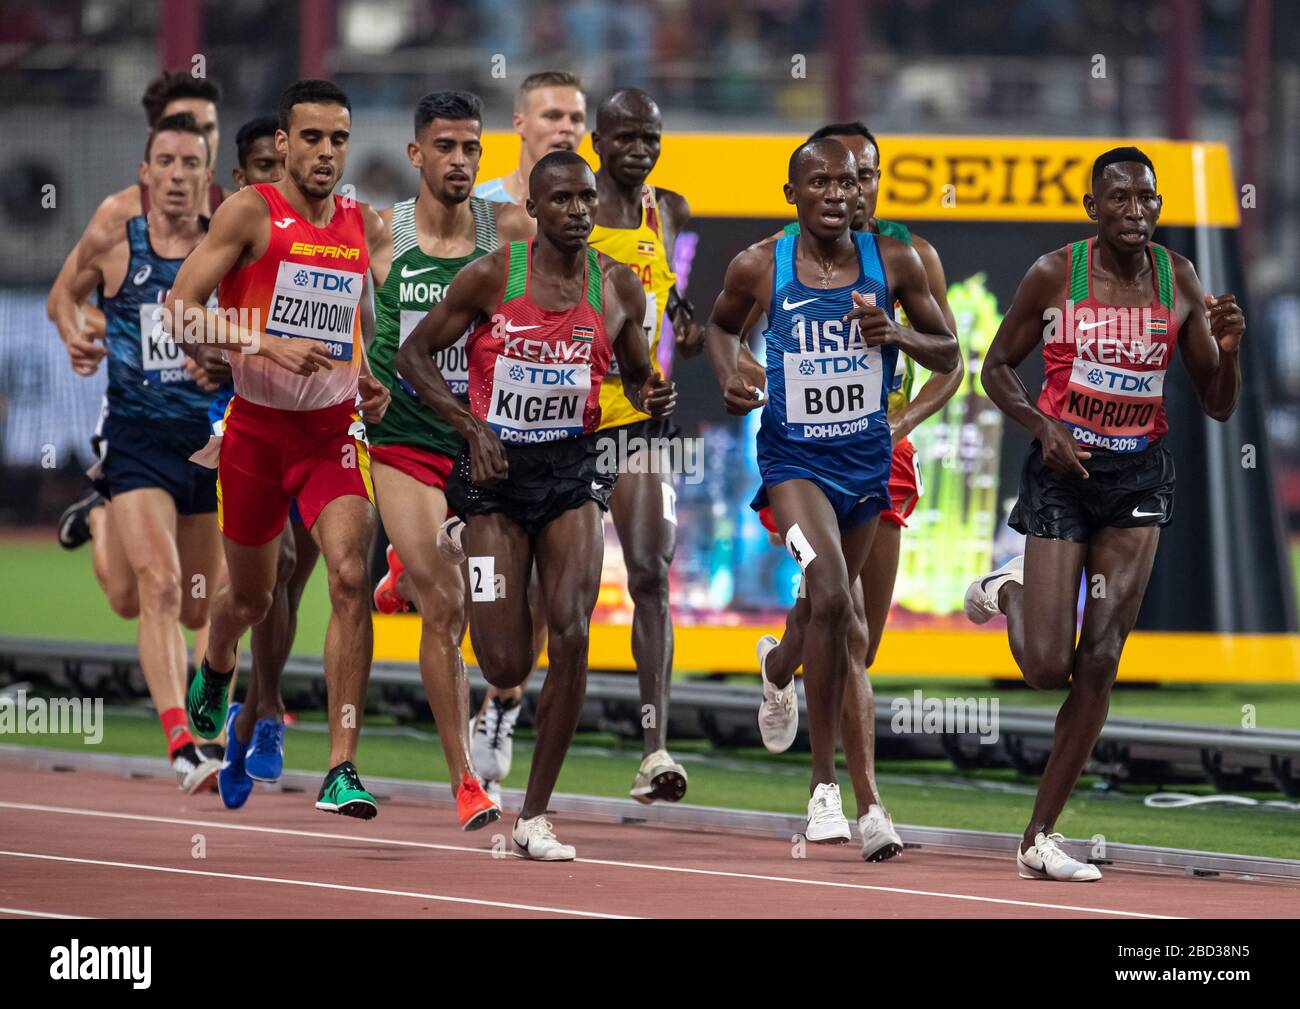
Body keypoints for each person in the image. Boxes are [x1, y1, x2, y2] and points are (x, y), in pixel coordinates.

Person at [965, 146, 1244, 881]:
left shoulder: (1178, 279)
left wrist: (1229, 352)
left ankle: (1039, 836)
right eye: (1119, 198)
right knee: (1046, 666)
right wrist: (1041, 426)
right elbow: (995, 367)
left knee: (1101, 660)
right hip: (1064, 474)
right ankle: (1009, 590)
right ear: (1093, 207)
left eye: (1147, 198)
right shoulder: (1056, 274)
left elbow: (1218, 404)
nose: (1135, 211)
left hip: (1136, 481)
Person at [398, 151, 674, 860]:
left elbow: (637, 376)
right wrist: (471, 428)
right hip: (493, 479)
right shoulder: (494, 275)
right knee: (504, 664)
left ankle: (536, 814)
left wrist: (651, 393)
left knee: (574, 632)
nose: (578, 211)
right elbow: (414, 356)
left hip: (570, 474)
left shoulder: (617, 286)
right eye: (562, 200)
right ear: (535, 206)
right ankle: (465, 541)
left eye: (586, 199)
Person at [705, 138, 958, 845]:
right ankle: (833, 793)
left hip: (866, 464)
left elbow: (950, 353)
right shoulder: (760, 264)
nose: (837, 194)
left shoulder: (896, 261)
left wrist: (898, 334)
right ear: (793, 194)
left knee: (845, 625)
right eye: (820, 183)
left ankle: (777, 665)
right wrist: (733, 374)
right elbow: (722, 327)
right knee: (833, 597)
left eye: (848, 183)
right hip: (793, 464)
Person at [164, 79, 392, 819]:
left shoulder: (360, 222)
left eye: (339, 139)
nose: (326, 152)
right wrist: (264, 342)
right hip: (257, 433)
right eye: (312, 138)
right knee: (253, 597)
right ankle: (216, 662)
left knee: (350, 576)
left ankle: (341, 765)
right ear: (285, 143)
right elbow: (179, 312)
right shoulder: (250, 213)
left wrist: (369, 378)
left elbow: (358, 325)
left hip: (331, 434)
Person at [365, 90, 533, 829]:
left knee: (513, 604)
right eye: (444, 147)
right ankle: (466, 778)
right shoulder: (383, 232)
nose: (459, 160)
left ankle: (406, 565)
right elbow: (321, 295)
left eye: (470, 148)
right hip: (406, 441)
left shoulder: (510, 230)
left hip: (485, 445)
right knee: (447, 602)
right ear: (416, 154)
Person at [50, 113, 224, 792]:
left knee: (196, 605)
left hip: (209, 443)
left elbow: (255, 327)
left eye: (191, 164)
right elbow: (62, 299)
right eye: (166, 163)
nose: (178, 176)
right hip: (138, 440)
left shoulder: (228, 244)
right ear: (145, 173)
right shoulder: (114, 239)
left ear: (208, 176)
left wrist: (221, 359)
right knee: (158, 586)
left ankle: (99, 519)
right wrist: (76, 333)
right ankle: (185, 744)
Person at [190, 115, 324, 810]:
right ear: (243, 178)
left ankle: (259, 713)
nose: (283, 176)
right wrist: (235, 347)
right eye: (267, 167)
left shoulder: (334, 225)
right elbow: (182, 316)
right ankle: (240, 684)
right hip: (243, 411)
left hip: (321, 418)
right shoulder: (239, 224)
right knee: (269, 575)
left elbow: (359, 316)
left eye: (288, 160)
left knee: (296, 580)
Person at [584, 87, 706, 802]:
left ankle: (655, 749)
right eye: (625, 136)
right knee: (557, 599)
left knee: (651, 575)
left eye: (650, 137)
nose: (639, 149)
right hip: (565, 423)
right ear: (597, 142)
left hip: (639, 421)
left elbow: (669, 297)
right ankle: (499, 704)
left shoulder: (669, 209)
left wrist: (685, 330)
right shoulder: (573, 208)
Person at [473, 71, 587, 205]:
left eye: (576, 119)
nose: (568, 127)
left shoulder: (599, 206)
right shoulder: (477, 204)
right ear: (519, 124)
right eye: (553, 116)